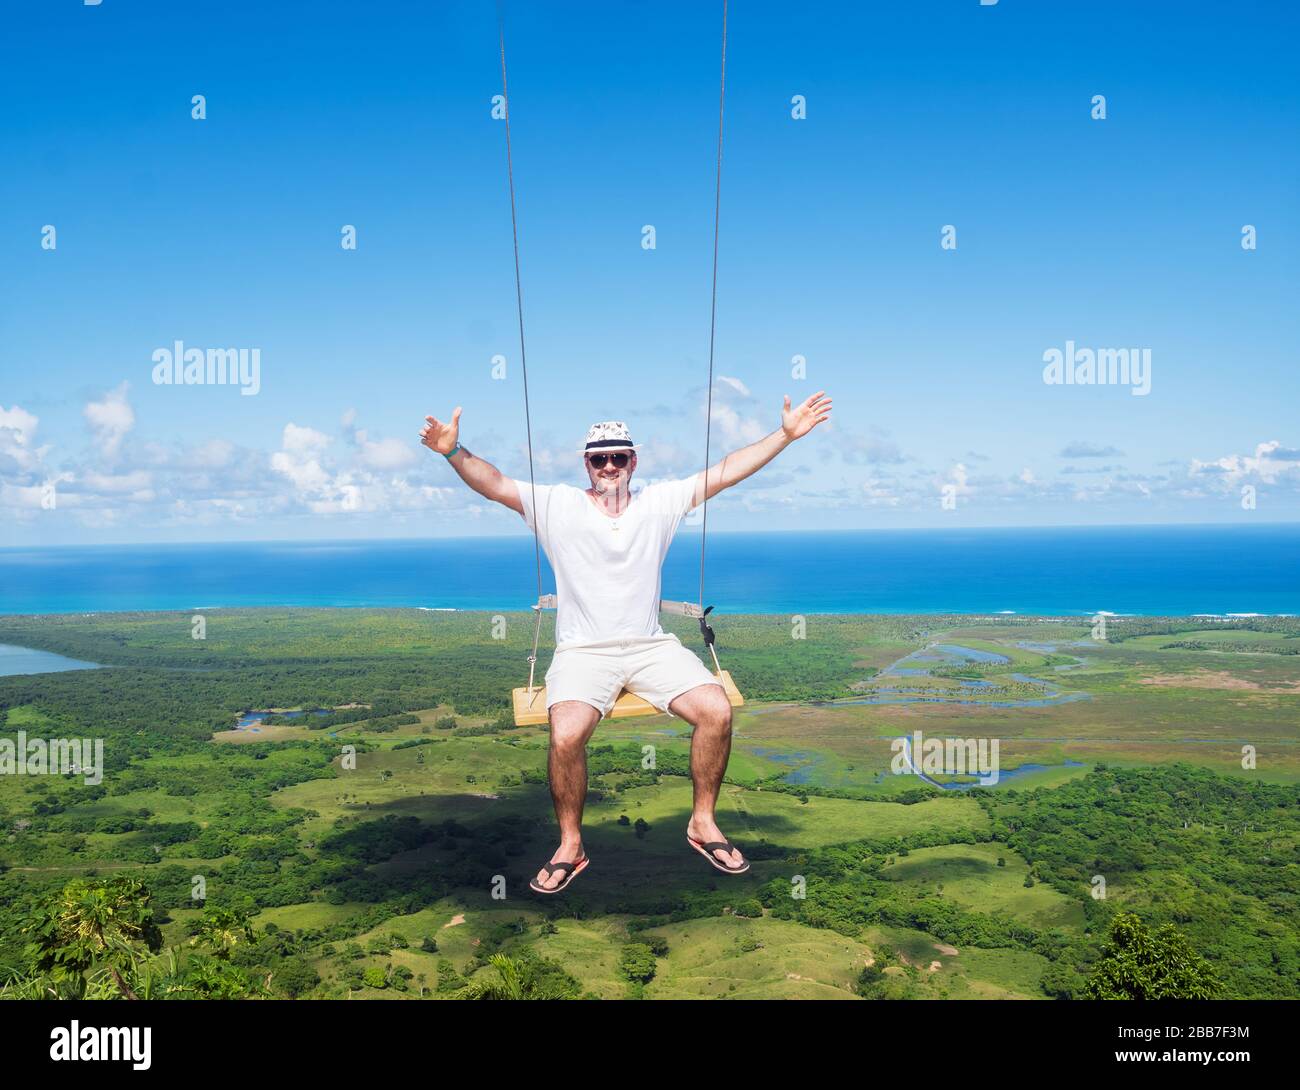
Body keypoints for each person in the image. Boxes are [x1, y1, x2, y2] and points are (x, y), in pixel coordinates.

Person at [419, 393, 832, 892]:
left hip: (651, 647)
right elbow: (496, 484)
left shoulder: (660, 503)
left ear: (633, 461)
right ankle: (571, 844)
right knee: (566, 735)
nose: (610, 466)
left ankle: (702, 822)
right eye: (600, 458)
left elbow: (725, 471)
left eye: (619, 457)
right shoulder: (557, 504)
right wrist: (452, 452)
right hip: (582, 651)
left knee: (718, 711)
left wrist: (785, 436)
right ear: (587, 464)